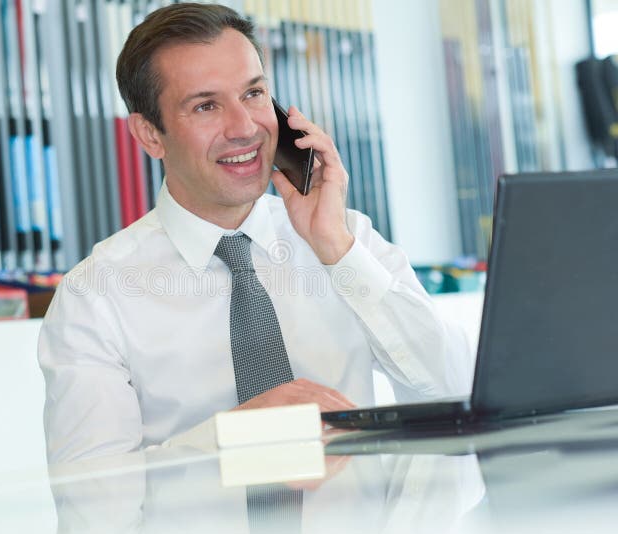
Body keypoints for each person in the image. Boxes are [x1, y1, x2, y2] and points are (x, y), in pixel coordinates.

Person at [38, 3, 470, 463]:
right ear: (150, 136)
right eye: (206, 105)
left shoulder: (347, 238)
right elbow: (92, 498)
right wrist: (234, 440)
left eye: (254, 94)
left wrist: (337, 251)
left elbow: (455, 389)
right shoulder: (96, 294)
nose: (244, 128)